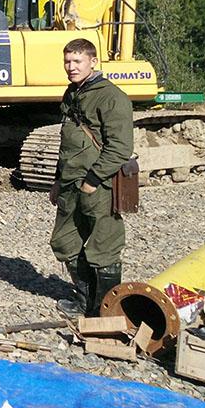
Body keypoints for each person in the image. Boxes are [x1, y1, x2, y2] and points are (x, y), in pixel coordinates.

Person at [48, 38, 134, 317]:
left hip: (99, 185)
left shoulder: (111, 97)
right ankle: (85, 301)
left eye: (77, 61)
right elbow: (67, 143)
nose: (71, 67)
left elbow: (120, 147)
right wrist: (58, 181)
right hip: (70, 182)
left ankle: (105, 311)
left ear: (93, 62)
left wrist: (93, 180)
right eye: (67, 61)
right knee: (64, 241)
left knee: (103, 246)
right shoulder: (72, 93)